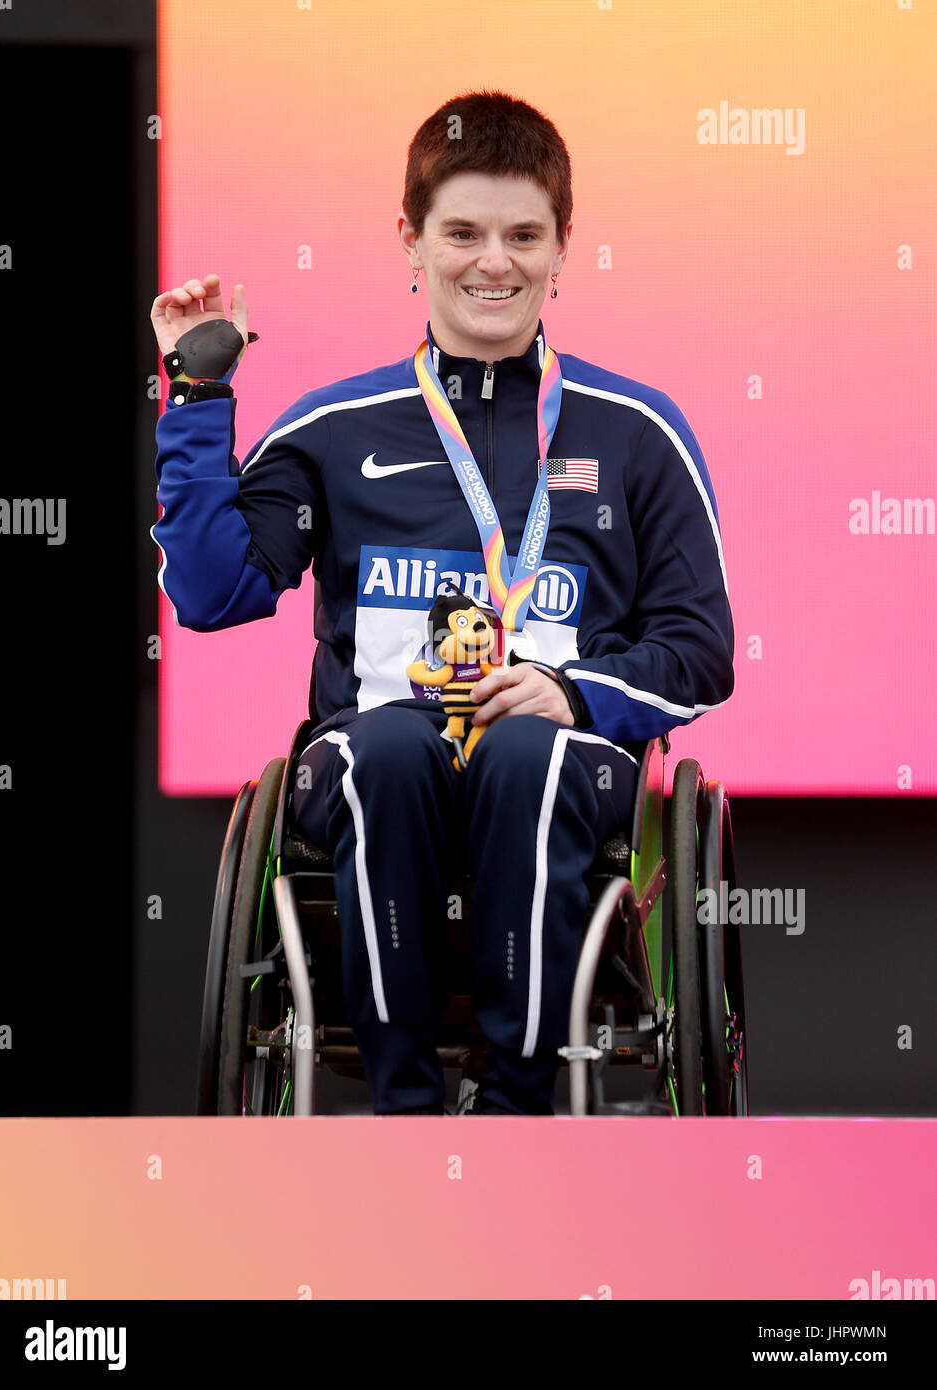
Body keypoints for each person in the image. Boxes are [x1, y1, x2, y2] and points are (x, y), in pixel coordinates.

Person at [150, 90, 734, 1116]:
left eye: (522, 235)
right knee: (390, 747)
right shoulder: (335, 426)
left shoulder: (639, 432)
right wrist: (198, 403)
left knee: (523, 749)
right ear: (410, 241)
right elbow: (209, 590)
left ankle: (513, 1108)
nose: (491, 263)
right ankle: (407, 1112)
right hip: (373, 755)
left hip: (561, 754)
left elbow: (698, 650)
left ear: (563, 247)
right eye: (461, 232)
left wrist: (571, 692)